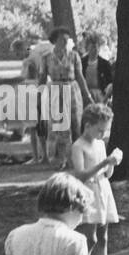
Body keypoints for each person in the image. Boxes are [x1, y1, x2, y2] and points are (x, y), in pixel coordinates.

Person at [70, 104, 123, 255]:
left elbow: (107, 174)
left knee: (103, 237)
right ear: (88, 125)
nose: (103, 134)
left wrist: (112, 164)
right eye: (100, 129)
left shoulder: (100, 143)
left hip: (103, 189)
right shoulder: (78, 146)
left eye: (105, 130)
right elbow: (80, 175)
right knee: (88, 238)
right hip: (87, 192)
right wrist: (104, 163)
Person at [41, 28, 93, 161]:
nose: (65, 42)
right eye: (62, 39)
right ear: (55, 41)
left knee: (75, 123)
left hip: (71, 89)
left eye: (67, 39)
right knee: (58, 125)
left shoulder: (74, 55)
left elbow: (80, 76)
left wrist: (87, 94)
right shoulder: (47, 57)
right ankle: (60, 158)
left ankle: (78, 156)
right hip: (55, 90)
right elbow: (42, 78)